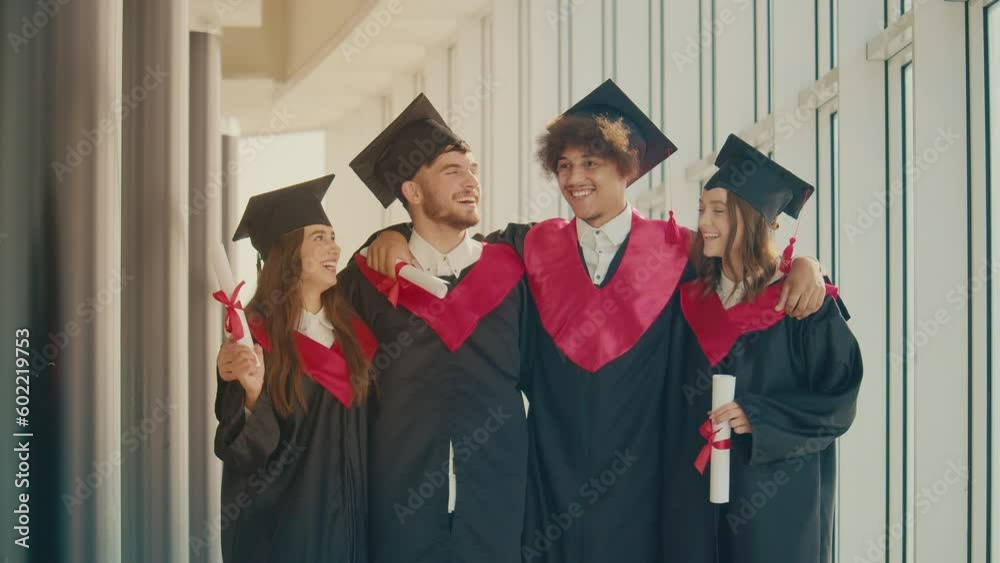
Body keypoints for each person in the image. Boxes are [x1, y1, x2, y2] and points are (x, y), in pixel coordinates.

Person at [364, 80, 828, 563]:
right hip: (550, 485)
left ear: (626, 168)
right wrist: (391, 234)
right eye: (563, 165)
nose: (573, 177)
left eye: (590, 162)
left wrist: (805, 265)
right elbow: (445, 244)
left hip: (647, 488)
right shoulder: (528, 245)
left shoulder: (679, 250)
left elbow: (747, 269)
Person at [339, 94, 535, 563]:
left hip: (497, 509)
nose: (472, 183)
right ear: (411, 191)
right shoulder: (366, 283)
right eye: (453, 171)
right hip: (399, 508)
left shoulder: (514, 272)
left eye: (473, 170)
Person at [680, 133, 863, 563]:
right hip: (694, 494)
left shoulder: (805, 306)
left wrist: (757, 416)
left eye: (719, 211)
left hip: (776, 497)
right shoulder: (689, 298)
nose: (704, 221)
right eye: (702, 209)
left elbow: (839, 403)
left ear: (753, 218)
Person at [213, 175, 376, 563]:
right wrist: (254, 396)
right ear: (286, 255)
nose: (334, 247)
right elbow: (241, 456)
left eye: (333, 236)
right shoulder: (254, 339)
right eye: (319, 237)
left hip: (353, 529)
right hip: (285, 532)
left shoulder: (355, 336)